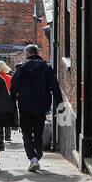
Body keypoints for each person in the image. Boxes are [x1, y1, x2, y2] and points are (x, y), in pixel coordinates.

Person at [10, 43, 64, 172]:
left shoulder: (21, 68)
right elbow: (55, 88)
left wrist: (11, 102)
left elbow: (13, 88)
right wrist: (60, 105)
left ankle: (33, 158)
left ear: (27, 54)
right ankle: (37, 154)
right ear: (37, 53)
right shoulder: (47, 68)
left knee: (27, 133)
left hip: (25, 107)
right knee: (38, 132)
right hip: (41, 106)